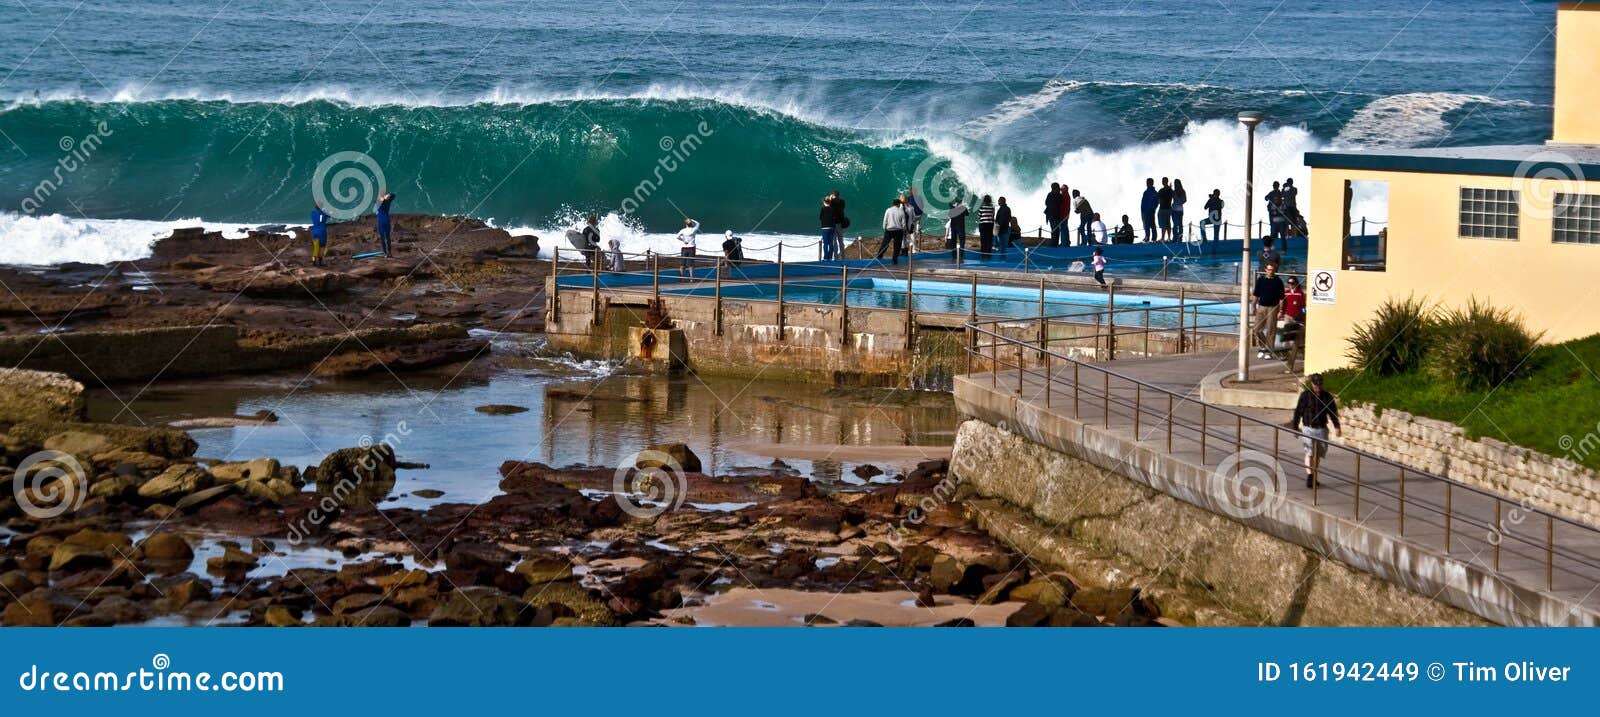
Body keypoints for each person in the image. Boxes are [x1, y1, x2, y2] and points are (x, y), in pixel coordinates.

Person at [1290, 373, 1342, 488]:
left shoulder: (1327, 396)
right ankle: (1310, 476)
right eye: (1316, 384)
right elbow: (1298, 411)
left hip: (1321, 429)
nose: (1318, 386)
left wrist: (1337, 426)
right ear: (1312, 384)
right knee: (1309, 452)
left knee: (1317, 455)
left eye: (1320, 384)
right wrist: (1295, 427)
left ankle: (1313, 475)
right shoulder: (1305, 395)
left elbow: (1332, 413)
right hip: (1308, 428)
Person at [1251, 262, 1285, 356]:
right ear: (1265, 270)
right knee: (1256, 329)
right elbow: (1256, 294)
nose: (1271, 271)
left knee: (1271, 330)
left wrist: (1280, 311)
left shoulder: (1278, 281)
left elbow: (1281, 298)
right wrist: (1253, 306)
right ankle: (1263, 347)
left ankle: (1269, 351)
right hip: (1261, 307)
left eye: (1272, 270)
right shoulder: (1260, 280)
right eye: (1269, 269)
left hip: (1273, 308)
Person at [879, 197, 908, 264]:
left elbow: (885, 220)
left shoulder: (888, 210)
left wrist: (884, 227)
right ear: (898, 204)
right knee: (897, 246)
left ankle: (880, 256)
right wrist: (904, 230)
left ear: (893, 204)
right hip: (898, 230)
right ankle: (895, 259)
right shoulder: (901, 212)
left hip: (889, 230)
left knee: (885, 243)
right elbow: (903, 223)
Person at [309, 202, 331, 267]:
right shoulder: (323, 213)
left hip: (314, 231)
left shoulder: (312, 213)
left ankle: (314, 262)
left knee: (316, 246)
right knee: (322, 247)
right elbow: (329, 215)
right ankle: (320, 262)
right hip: (322, 231)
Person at [829, 189, 849, 259]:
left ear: (833, 195)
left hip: (833, 223)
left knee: (834, 241)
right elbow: (842, 209)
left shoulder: (832, 202)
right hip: (840, 223)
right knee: (841, 241)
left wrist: (830, 199)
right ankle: (843, 256)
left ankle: (836, 257)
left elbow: (829, 208)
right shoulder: (842, 201)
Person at [374, 191, 395, 257]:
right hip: (382, 221)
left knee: (387, 237)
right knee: (383, 237)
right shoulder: (384, 201)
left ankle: (388, 253)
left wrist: (387, 196)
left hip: (385, 221)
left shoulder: (387, 201)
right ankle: (386, 253)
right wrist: (384, 198)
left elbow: (393, 195)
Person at [1044, 183, 1063, 247]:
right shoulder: (1059, 195)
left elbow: (1046, 203)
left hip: (1052, 214)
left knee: (1054, 229)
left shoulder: (1050, 194)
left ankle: (1054, 243)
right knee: (1055, 229)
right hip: (1055, 214)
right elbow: (1060, 203)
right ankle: (1055, 243)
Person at [1140, 178, 1158, 242]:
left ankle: (1152, 238)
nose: (1147, 183)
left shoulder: (1154, 192)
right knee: (1146, 225)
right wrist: (1143, 211)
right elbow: (1143, 202)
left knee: (1151, 225)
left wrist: (1152, 209)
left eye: (1148, 182)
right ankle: (1147, 237)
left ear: (1151, 183)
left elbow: (1156, 202)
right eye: (1147, 182)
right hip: (1144, 211)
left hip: (1150, 211)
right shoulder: (1146, 192)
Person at [819, 196, 837, 261]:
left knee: (826, 243)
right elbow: (834, 217)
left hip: (825, 228)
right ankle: (830, 257)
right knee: (831, 243)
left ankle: (826, 258)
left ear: (824, 202)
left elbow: (820, 217)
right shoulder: (832, 209)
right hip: (832, 227)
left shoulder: (823, 209)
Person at [1157, 177, 1174, 241]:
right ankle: (1164, 237)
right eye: (1162, 181)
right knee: (1164, 223)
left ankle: (1167, 237)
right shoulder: (1161, 190)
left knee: (1167, 223)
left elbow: (1172, 197)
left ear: (1167, 181)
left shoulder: (1170, 190)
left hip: (1167, 208)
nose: (1163, 182)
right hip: (1162, 208)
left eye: (1164, 180)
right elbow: (1157, 198)